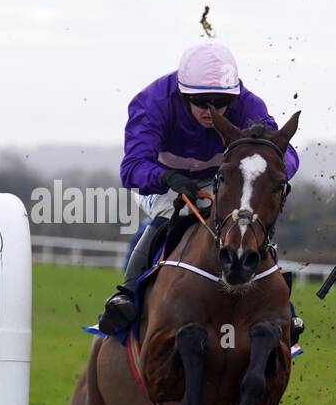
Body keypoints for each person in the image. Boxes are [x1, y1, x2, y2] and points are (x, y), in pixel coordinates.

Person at [96, 42, 301, 336]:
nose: (212, 110)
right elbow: (132, 169)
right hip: (162, 179)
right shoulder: (151, 103)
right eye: (201, 101)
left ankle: (283, 310)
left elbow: (285, 153)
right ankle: (126, 295)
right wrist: (167, 179)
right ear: (182, 95)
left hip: (222, 179)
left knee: (249, 222)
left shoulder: (248, 105)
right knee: (169, 212)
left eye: (220, 103)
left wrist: (272, 172)